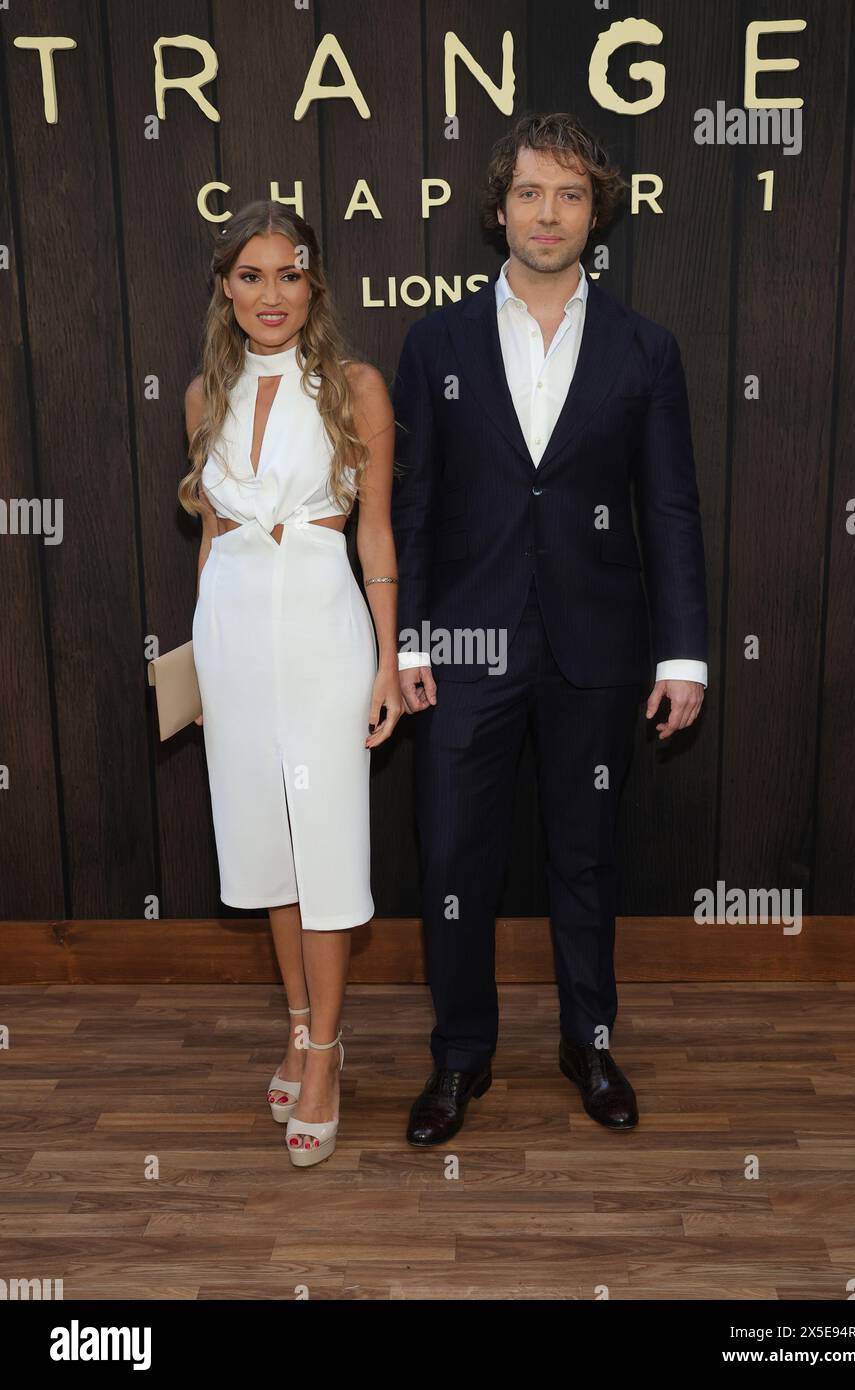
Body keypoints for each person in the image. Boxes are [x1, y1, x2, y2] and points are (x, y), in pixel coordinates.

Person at [391, 113, 708, 1145]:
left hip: (595, 651)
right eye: (530, 192)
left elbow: (667, 508)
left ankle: (590, 1040)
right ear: (497, 209)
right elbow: (414, 506)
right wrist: (406, 643)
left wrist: (684, 650)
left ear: (595, 213)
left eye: (570, 194)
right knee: (454, 863)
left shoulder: (644, 347)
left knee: (586, 854)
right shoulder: (433, 341)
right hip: (463, 649)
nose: (547, 212)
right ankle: (459, 1059)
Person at [179, 201, 403, 1167]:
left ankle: (324, 1057)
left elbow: (377, 534)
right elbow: (211, 537)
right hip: (231, 636)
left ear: (313, 284)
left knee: (325, 848)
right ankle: (304, 1022)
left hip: (321, 630)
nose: (271, 294)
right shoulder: (200, 397)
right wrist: (198, 660)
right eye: (251, 275)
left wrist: (389, 660)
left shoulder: (354, 388)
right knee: (264, 844)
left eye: (289, 274)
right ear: (226, 289)